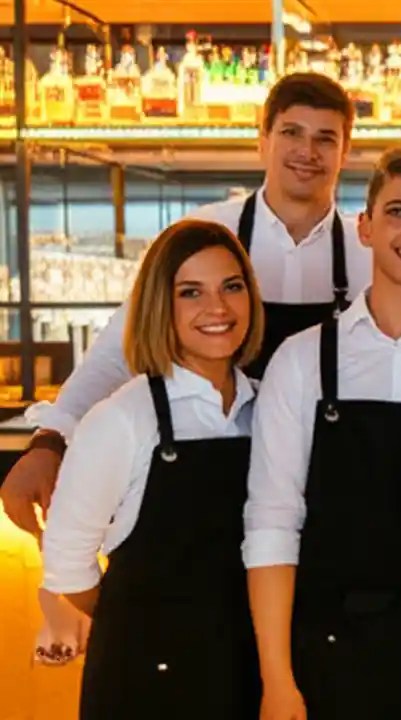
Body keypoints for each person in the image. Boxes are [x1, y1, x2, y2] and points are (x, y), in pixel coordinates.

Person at [2, 71, 371, 549]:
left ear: (346, 150)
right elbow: (119, 350)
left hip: (326, 482)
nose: (308, 151)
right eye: (291, 133)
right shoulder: (202, 232)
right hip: (212, 467)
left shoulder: (367, 252)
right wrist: (49, 441)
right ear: (262, 140)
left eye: (326, 138)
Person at [243, 146, 401, 720]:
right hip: (332, 648)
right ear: (366, 226)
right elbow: (272, 524)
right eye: (399, 211)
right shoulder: (304, 360)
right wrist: (277, 682)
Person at [40, 219, 266, 718]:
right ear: (159, 306)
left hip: (245, 670)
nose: (218, 308)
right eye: (191, 292)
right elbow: (66, 563)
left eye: (232, 287)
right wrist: (142, 624)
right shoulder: (122, 418)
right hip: (143, 678)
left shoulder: (266, 409)